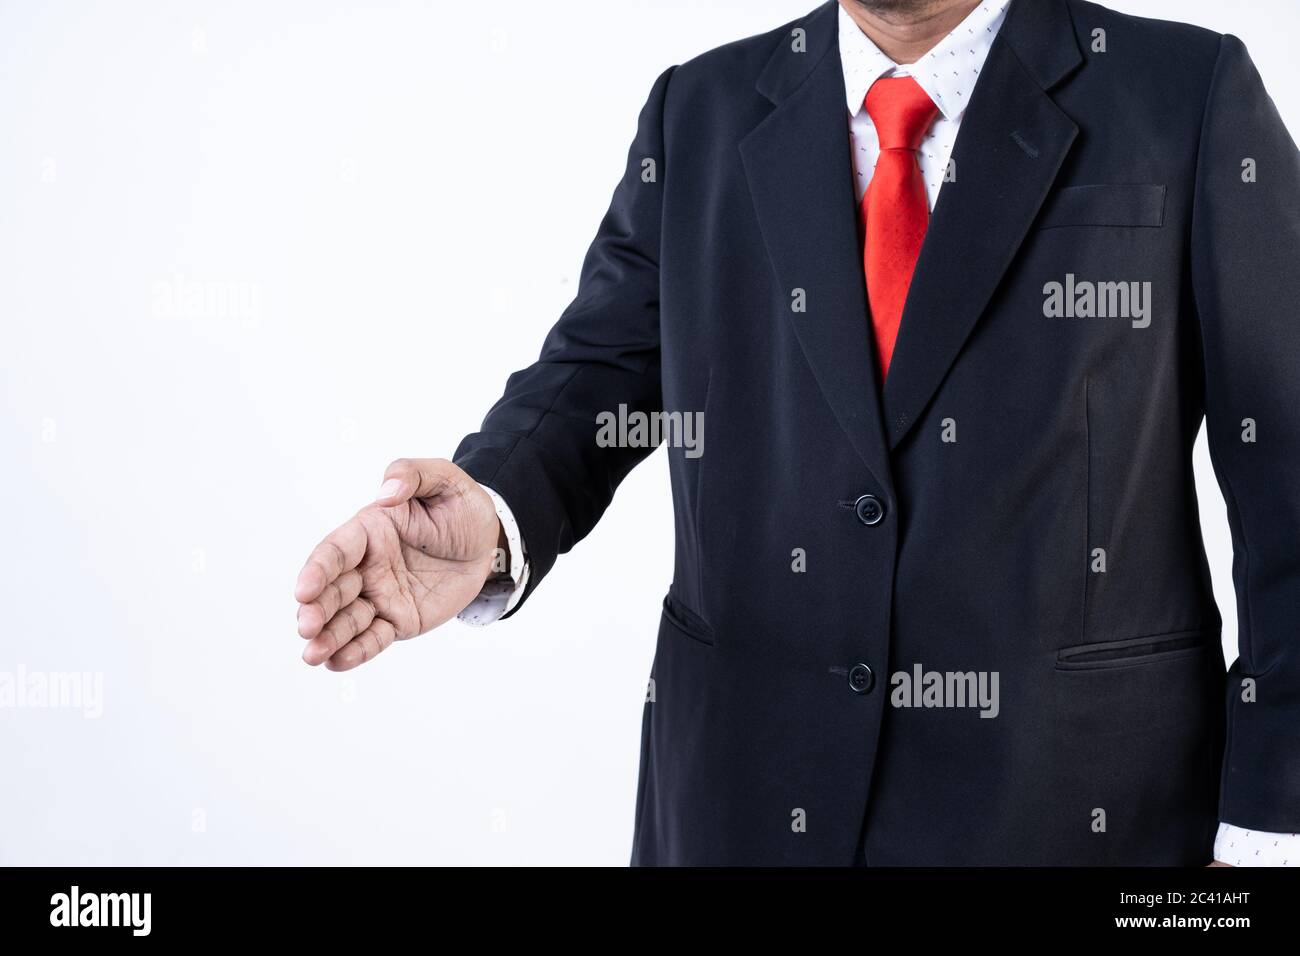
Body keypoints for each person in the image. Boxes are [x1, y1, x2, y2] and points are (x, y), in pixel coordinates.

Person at [294, 0, 1300, 865]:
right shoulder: (698, 110)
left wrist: (1270, 824)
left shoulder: (1188, 96)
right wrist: (492, 510)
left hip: (1081, 814)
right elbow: (598, 375)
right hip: (741, 797)